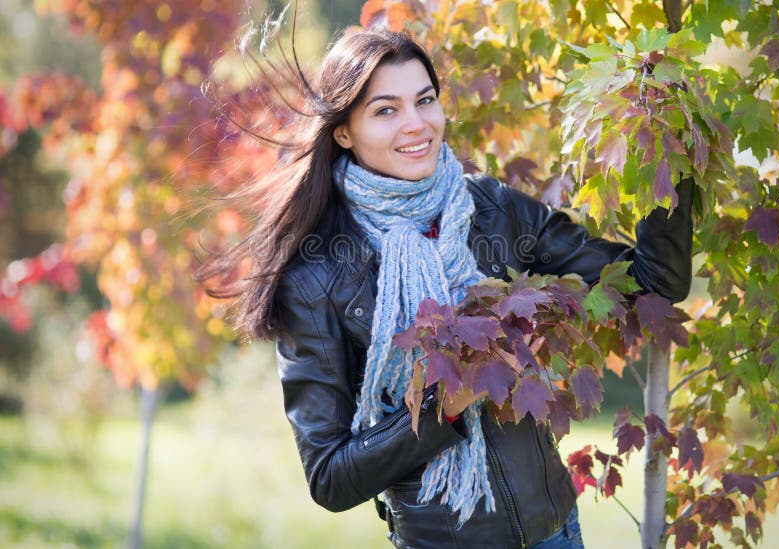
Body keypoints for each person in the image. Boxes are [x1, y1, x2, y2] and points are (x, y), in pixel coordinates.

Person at [196, 28, 693, 549]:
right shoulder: (317, 278)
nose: (416, 124)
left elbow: (655, 281)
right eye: (386, 110)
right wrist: (445, 408)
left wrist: (669, 154)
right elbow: (329, 476)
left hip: (555, 534)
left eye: (425, 100)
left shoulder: (493, 210)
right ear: (344, 131)